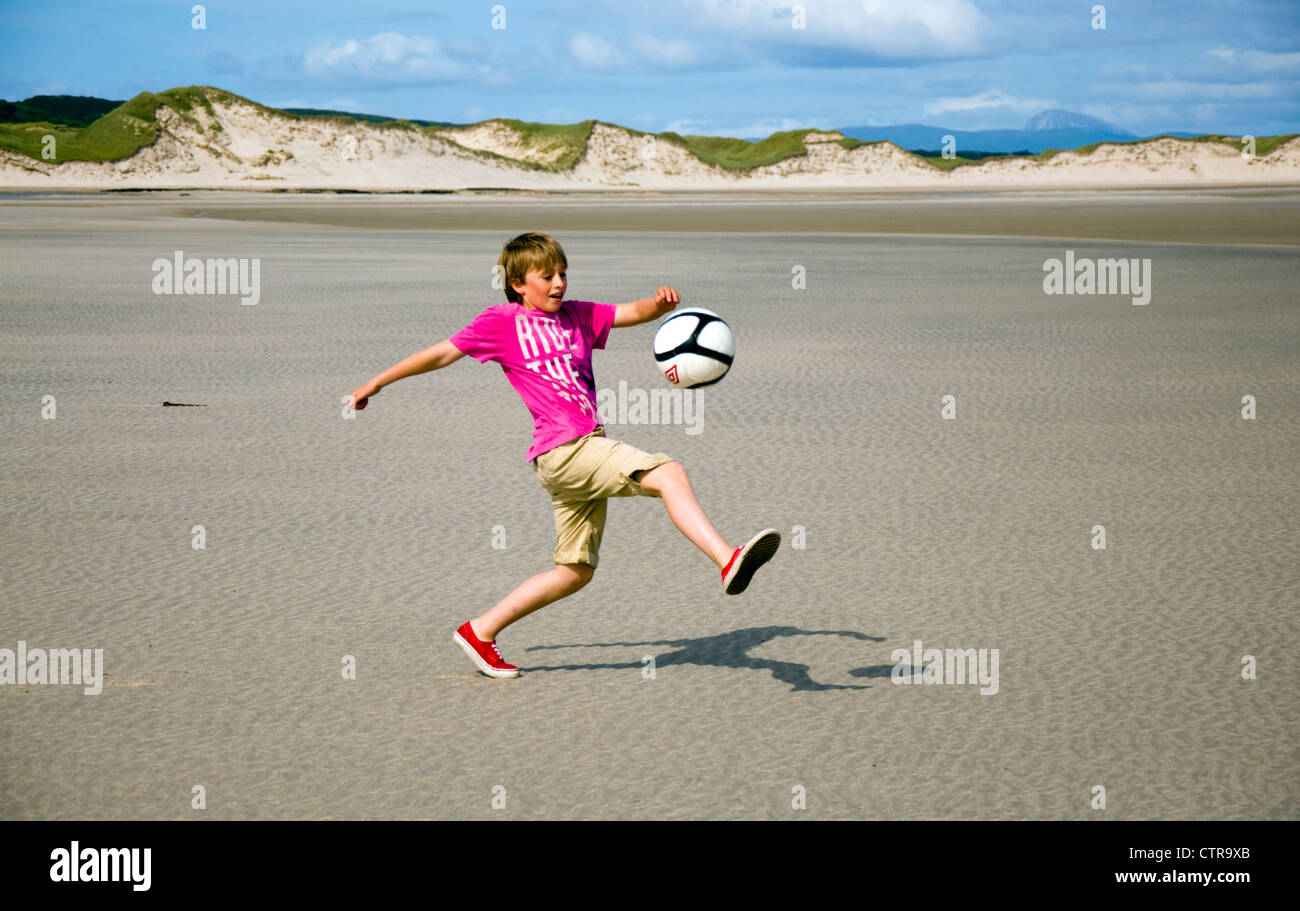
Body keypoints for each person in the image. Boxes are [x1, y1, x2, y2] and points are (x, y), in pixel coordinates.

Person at [350, 232, 779, 679]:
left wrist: (659, 305)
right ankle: (726, 558)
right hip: (566, 450)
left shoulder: (577, 315)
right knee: (669, 472)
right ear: (518, 283)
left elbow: (630, 313)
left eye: (563, 273)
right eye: (547, 276)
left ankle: (480, 631)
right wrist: (376, 383)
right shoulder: (502, 322)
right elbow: (441, 354)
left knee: (574, 572)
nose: (559, 283)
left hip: (576, 455)